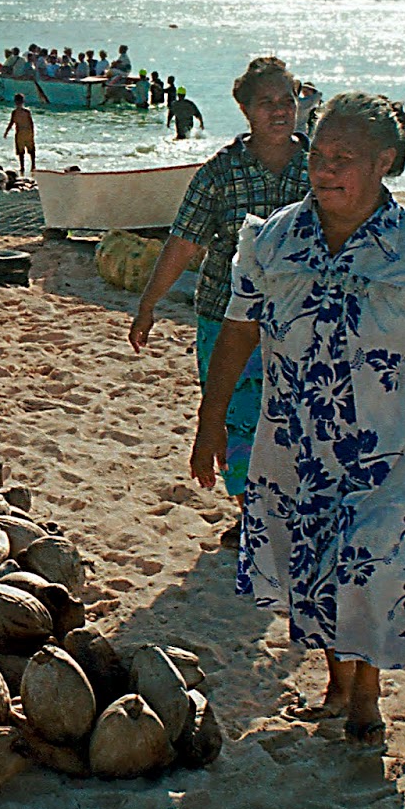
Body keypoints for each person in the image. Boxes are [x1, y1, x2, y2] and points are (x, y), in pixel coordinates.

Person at [191, 92, 405, 748]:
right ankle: (336, 684)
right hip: (298, 440)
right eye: (318, 155)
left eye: (343, 158)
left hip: (393, 446)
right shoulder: (271, 240)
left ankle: (367, 695)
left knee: (374, 563)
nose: (324, 170)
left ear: (385, 161)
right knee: (315, 563)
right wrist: (212, 420)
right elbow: (238, 331)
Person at [129, 56, 310, 547]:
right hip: (223, 314)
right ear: (245, 110)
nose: (279, 111)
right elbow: (183, 242)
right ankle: (251, 515)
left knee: (299, 415)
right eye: (267, 103)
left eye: (287, 101)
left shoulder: (320, 168)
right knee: (233, 414)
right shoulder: (220, 174)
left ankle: (291, 513)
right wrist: (149, 305)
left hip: (302, 320)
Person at [5, 93, 36, 175]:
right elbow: (12, 123)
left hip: (22, 133)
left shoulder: (19, 112)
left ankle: (28, 166)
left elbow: (12, 123)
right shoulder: (24, 112)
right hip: (24, 132)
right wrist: (6, 131)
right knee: (27, 151)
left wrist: (6, 132)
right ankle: (29, 166)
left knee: (26, 151)